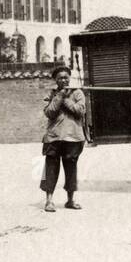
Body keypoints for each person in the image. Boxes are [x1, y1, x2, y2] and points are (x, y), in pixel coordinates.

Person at [41, 64, 86, 211]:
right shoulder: (52, 94)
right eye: (60, 78)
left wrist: (66, 99)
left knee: (71, 168)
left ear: (70, 78)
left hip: (73, 137)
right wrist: (59, 96)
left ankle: (70, 200)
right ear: (56, 80)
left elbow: (79, 111)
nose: (63, 80)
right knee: (51, 168)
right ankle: (49, 201)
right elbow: (49, 112)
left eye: (66, 78)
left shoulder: (78, 93)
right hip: (54, 137)